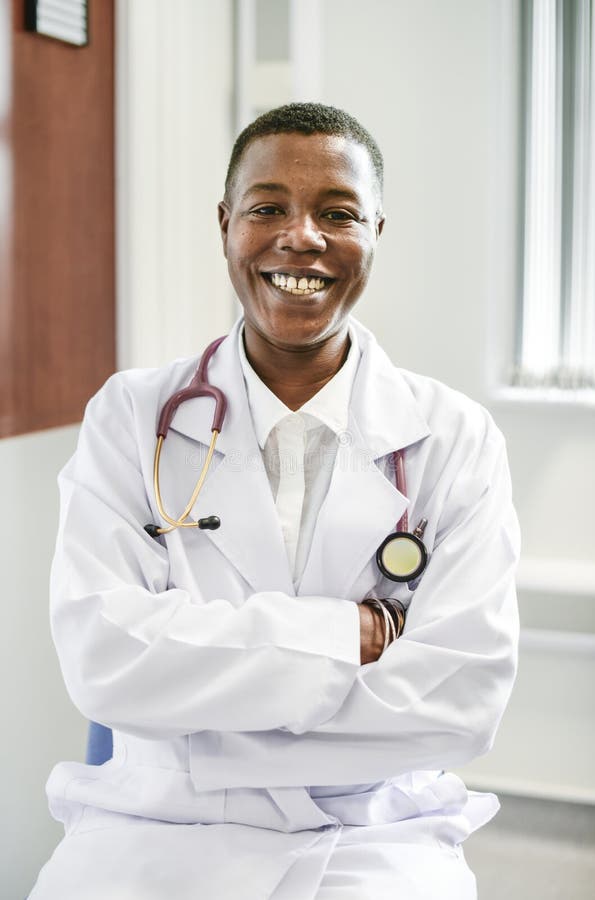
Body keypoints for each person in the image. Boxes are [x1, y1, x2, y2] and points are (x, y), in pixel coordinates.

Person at [30, 103, 520, 899]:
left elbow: (459, 704)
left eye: (338, 212)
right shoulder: (130, 416)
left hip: (376, 831)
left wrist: (202, 730)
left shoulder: (454, 436)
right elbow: (104, 661)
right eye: (267, 208)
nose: (302, 237)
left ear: (375, 233)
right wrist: (344, 636)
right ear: (225, 225)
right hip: (152, 825)